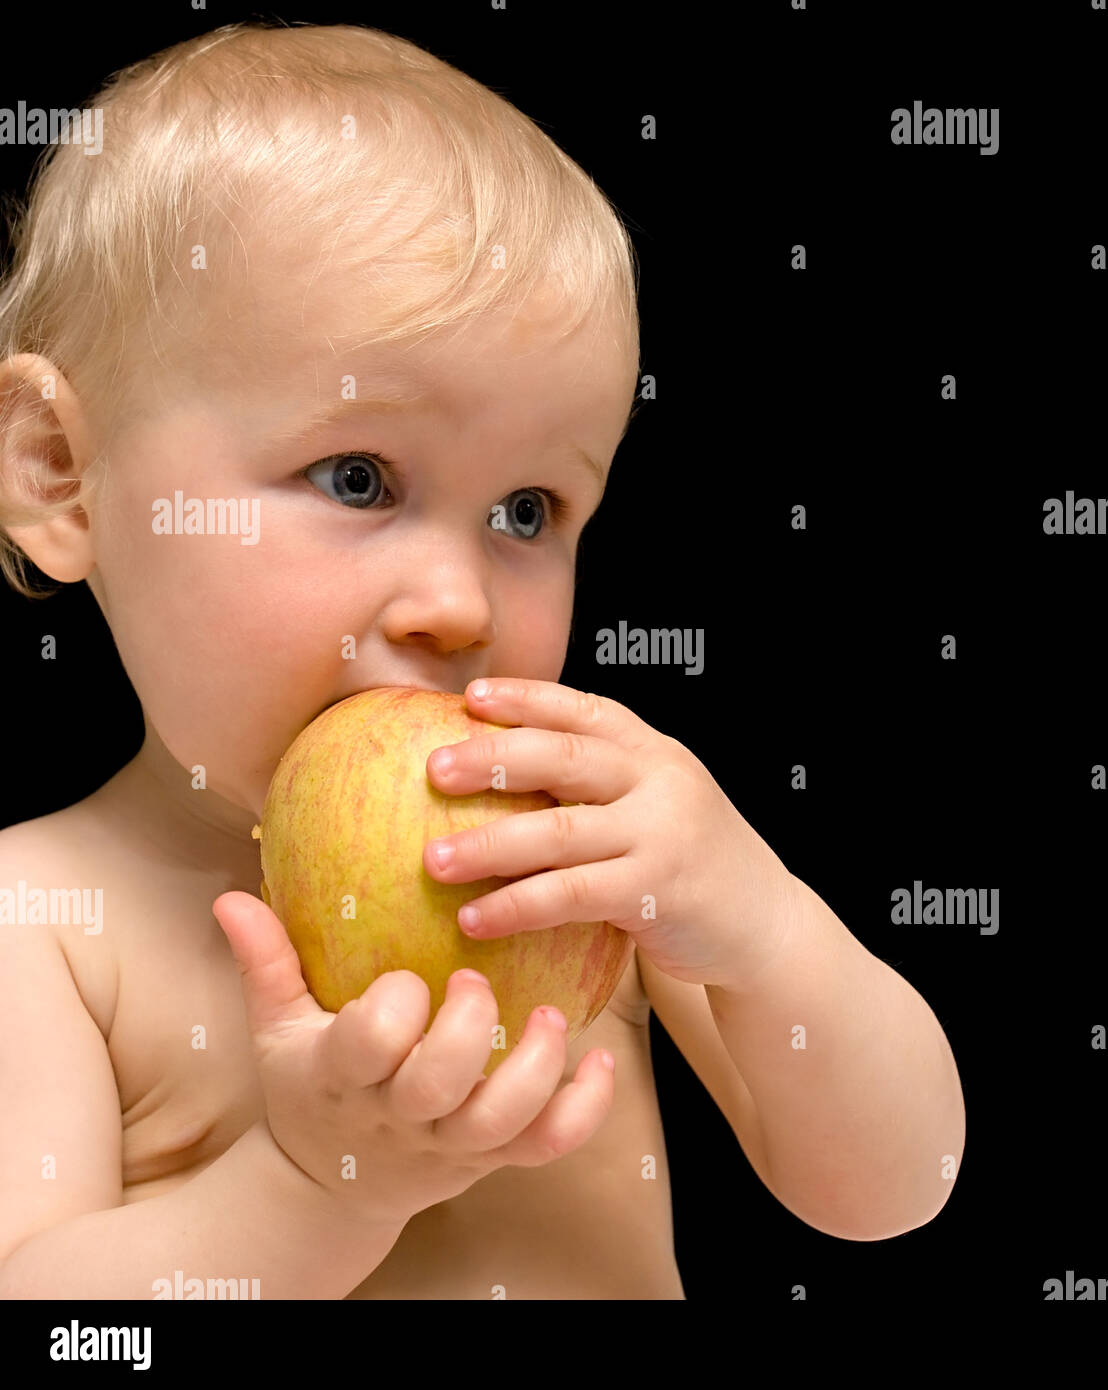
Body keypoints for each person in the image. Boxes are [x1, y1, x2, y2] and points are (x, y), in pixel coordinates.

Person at [0, 21, 965, 1299]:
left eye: (527, 513)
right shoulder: (44, 925)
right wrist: (310, 1183)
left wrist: (766, 925)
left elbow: (896, 1187)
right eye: (358, 478)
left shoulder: (571, 854)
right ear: (62, 472)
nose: (460, 603)